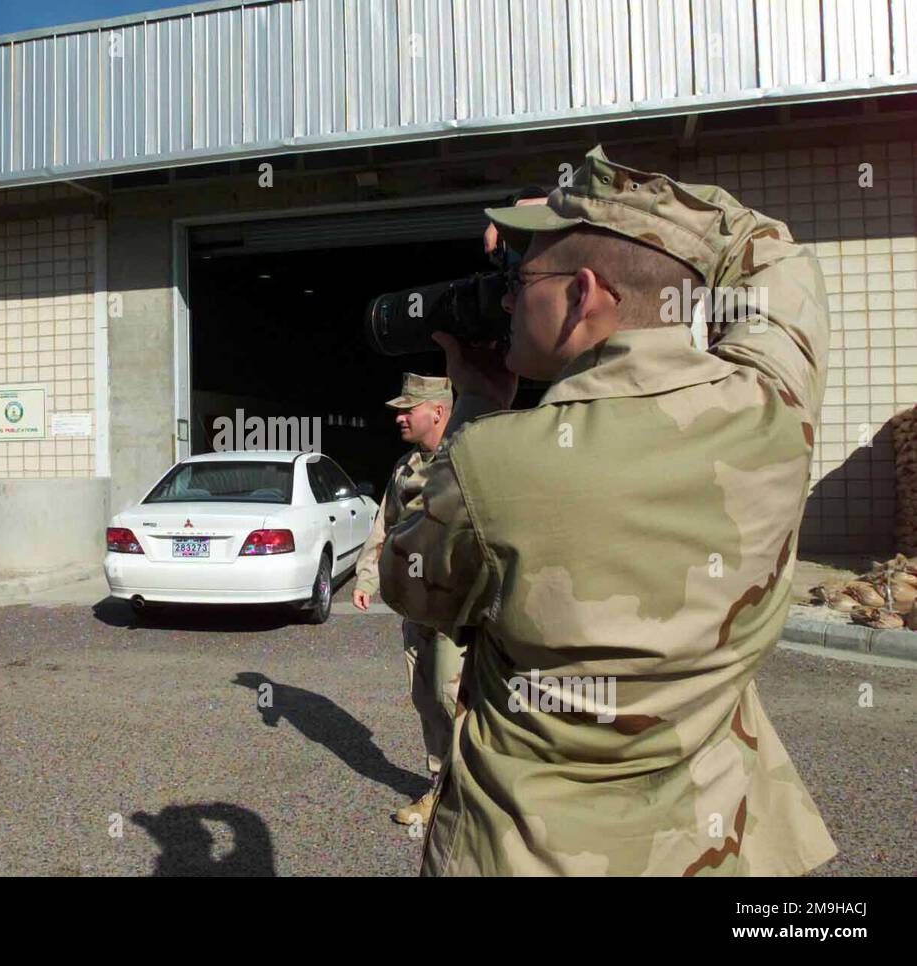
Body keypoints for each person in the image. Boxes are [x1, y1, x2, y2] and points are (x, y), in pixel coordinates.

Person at [378, 146, 837, 875]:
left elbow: (411, 586)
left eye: (521, 279)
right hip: (719, 848)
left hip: (528, 854)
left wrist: (473, 405)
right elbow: (775, 257)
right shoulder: (769, 413)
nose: (504, 299)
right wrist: (625, 204)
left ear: (580, 293)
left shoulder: (487, 463)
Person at [353, 373, 465, 826]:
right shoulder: (405, 466)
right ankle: (439, 787)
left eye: (407, 410)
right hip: (415, 610)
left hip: (455, 611)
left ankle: (471, 793)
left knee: (451, 698)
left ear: (436, 411)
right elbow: (385, 525)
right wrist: (366, 578)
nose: (399, 418)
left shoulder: (466, 461)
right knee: (424, 697)